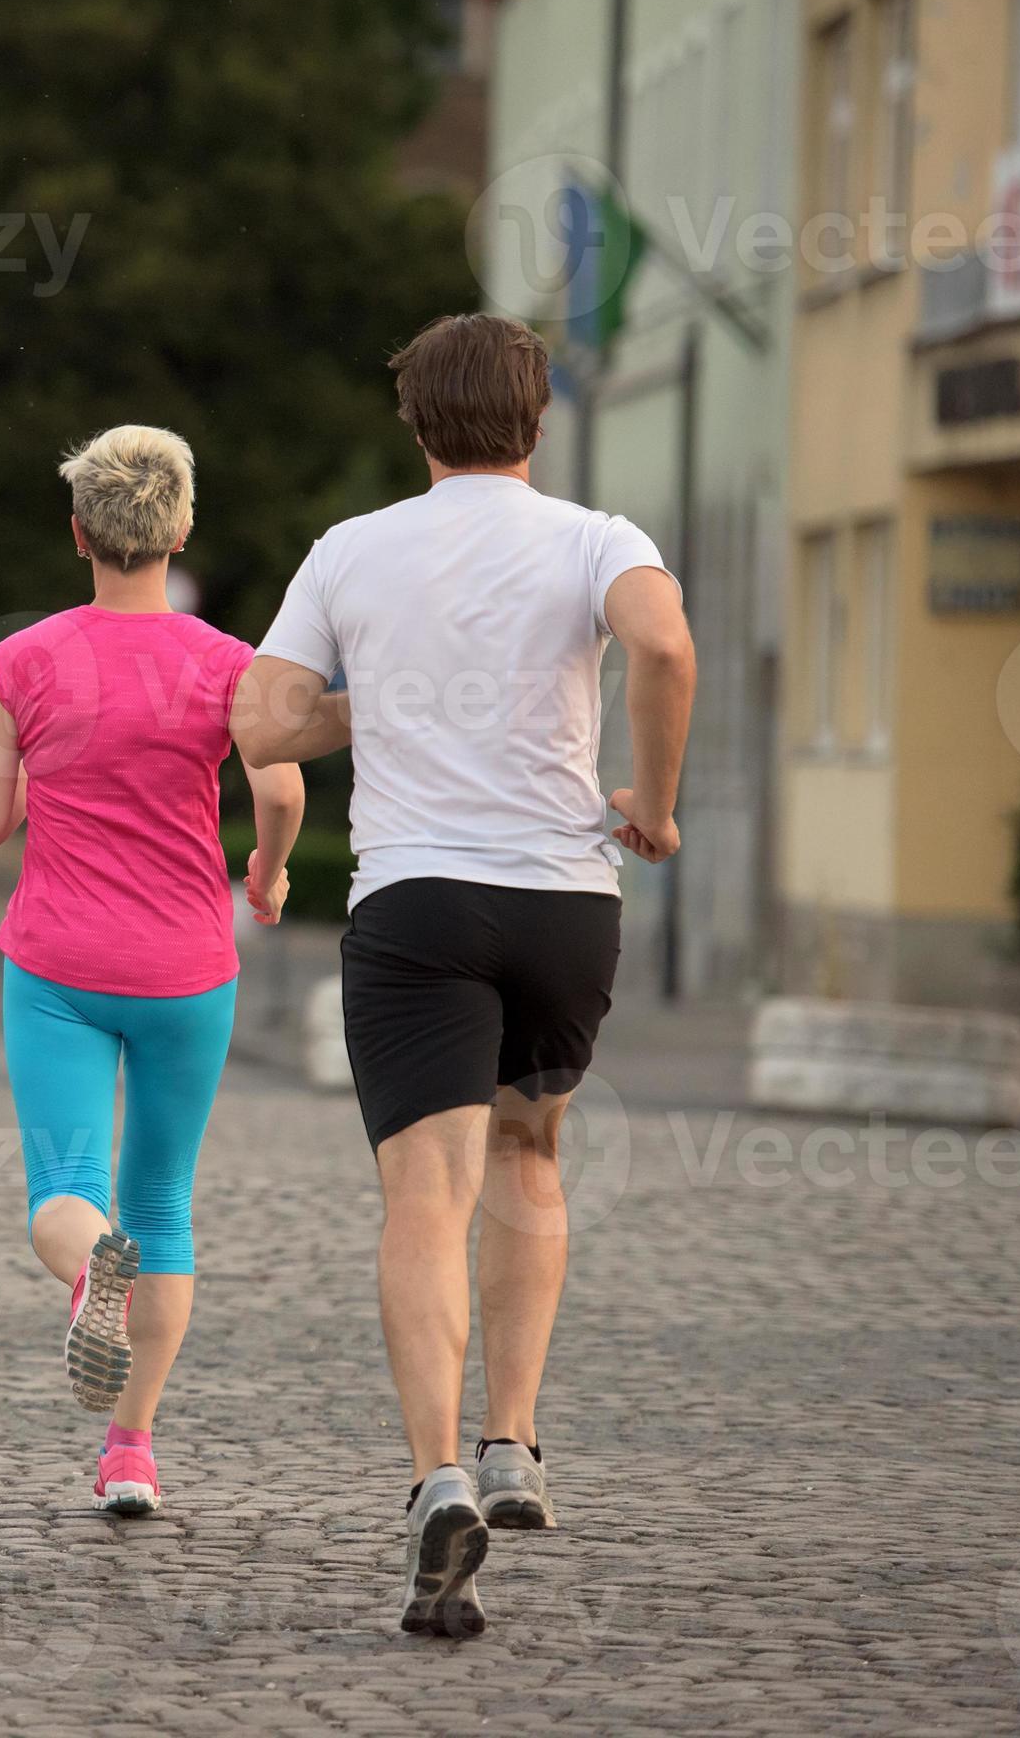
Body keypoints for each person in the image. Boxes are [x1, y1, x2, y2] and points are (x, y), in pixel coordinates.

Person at [231, 314, 696, 1640]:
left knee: (423, 1200)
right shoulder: (600, 539)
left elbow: (259, 719)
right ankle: (512, 1445)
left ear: (413, 427)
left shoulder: (351, 551)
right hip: (562, 906)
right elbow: (663, 650)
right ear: (538, 421)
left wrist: (364, 700)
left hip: (417, 905)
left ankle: (435, 1471)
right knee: (529, 1161)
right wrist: (652, 807)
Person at [0, 426, 305, 1520]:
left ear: (79, 533)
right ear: (183, 528)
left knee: (65, 1188)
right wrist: (265, 868)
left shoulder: (22, 664)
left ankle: (85, 1275)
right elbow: (286, 791)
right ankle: (131, 1451)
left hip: (58, 963)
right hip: (185, 967)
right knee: (164, 1198)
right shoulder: (227, 665)